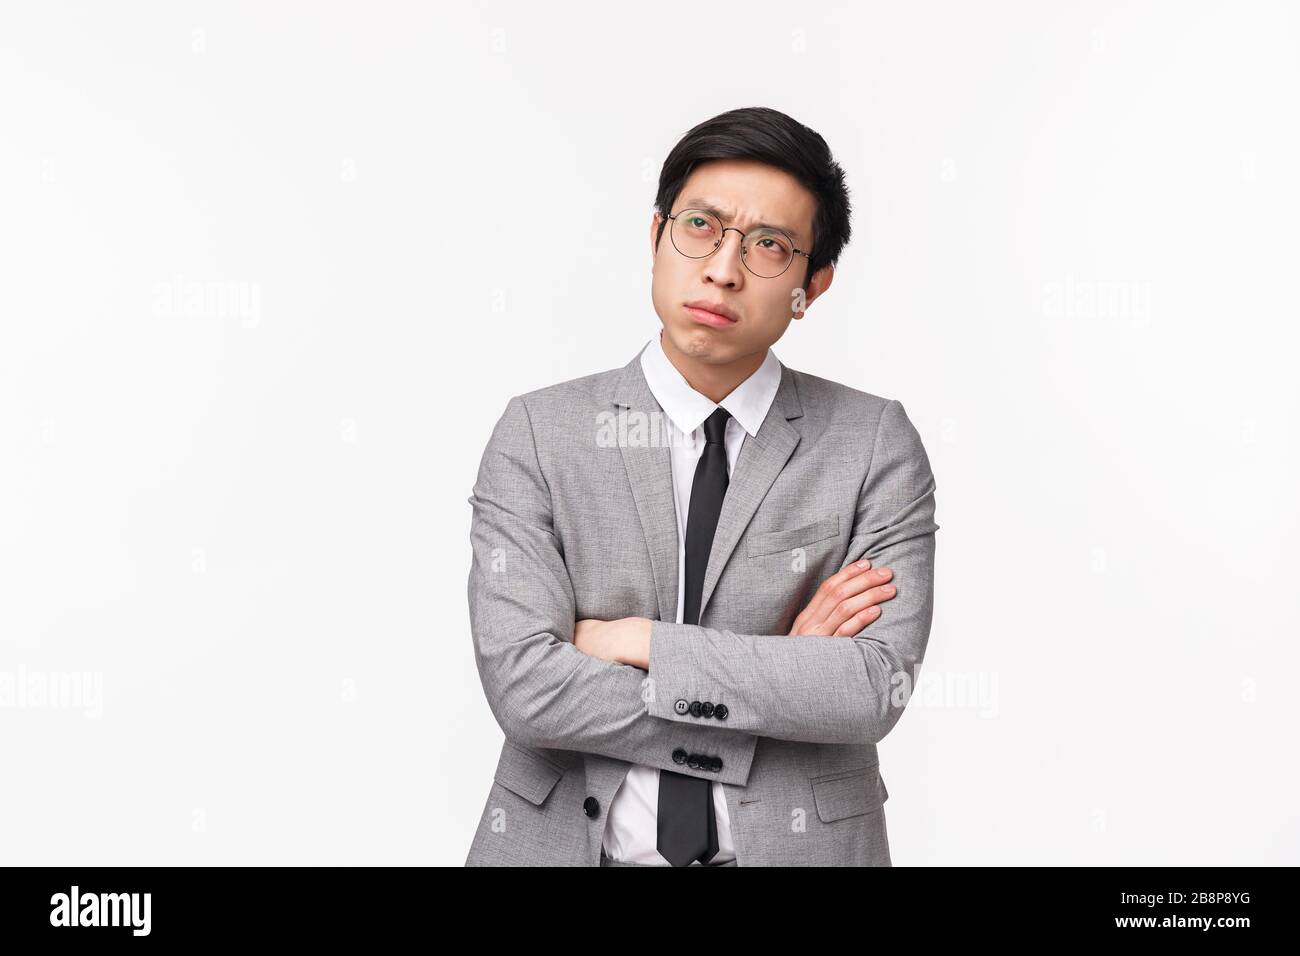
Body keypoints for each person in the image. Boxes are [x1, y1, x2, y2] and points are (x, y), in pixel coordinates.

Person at [464, 106, 939, 866]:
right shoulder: (538, 433)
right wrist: (781, 672)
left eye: (769, 246)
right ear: (656, 237)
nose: (723, 268)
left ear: (811, 286)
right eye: (700, 227)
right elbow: (527, 691)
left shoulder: (874, 443)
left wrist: (639, 643)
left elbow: (868, 690)